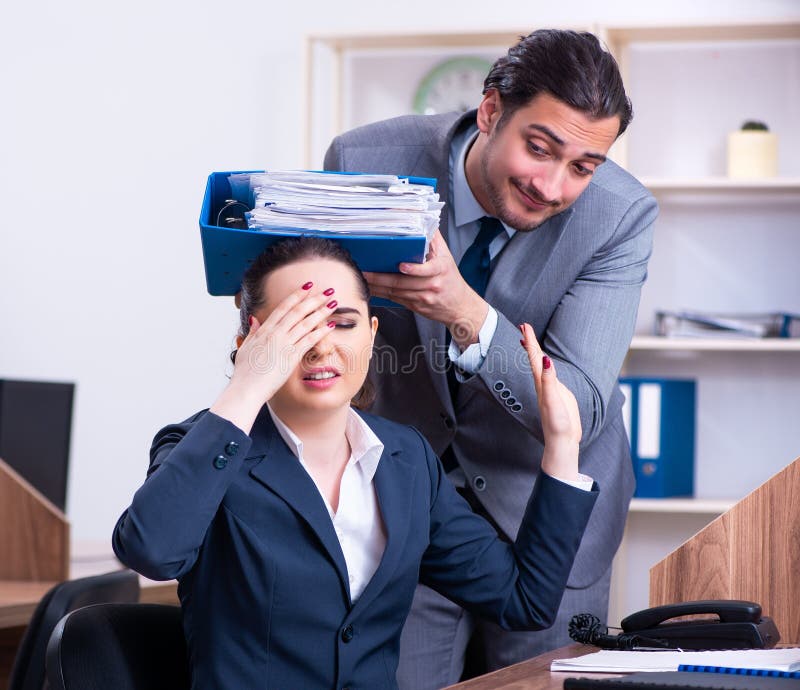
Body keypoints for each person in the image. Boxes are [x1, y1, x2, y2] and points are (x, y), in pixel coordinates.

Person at [323, 28, 658, 686]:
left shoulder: (620, 216)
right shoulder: (365, 161)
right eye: (541, 149)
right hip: (407, 503)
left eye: (584, 167)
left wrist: (463, 310)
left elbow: (578, 411)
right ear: (490, 111)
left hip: (548, 516)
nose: (555, 185)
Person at [112, 237, 597, 690]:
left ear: (371, 334)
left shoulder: (406, 461)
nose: (323, 346)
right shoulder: (202, 445)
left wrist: (561, 445)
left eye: (342, 322)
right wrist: (245, 387)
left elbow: (523, 600)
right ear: (251, 340)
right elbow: (152, 552)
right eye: (297, 325)